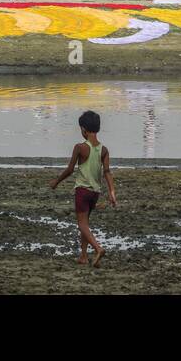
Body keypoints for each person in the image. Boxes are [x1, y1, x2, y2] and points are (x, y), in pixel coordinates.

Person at [48, 110, 118, 267]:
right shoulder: (104, 150)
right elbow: (107, 172)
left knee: (82, 224)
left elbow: (70, 169)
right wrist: (112, 192)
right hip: (95, 192)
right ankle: (83, 256)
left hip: (82, 191)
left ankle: (98, 249)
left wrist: (56, 181)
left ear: (84, 129)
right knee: (85, 223)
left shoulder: (80, 147)